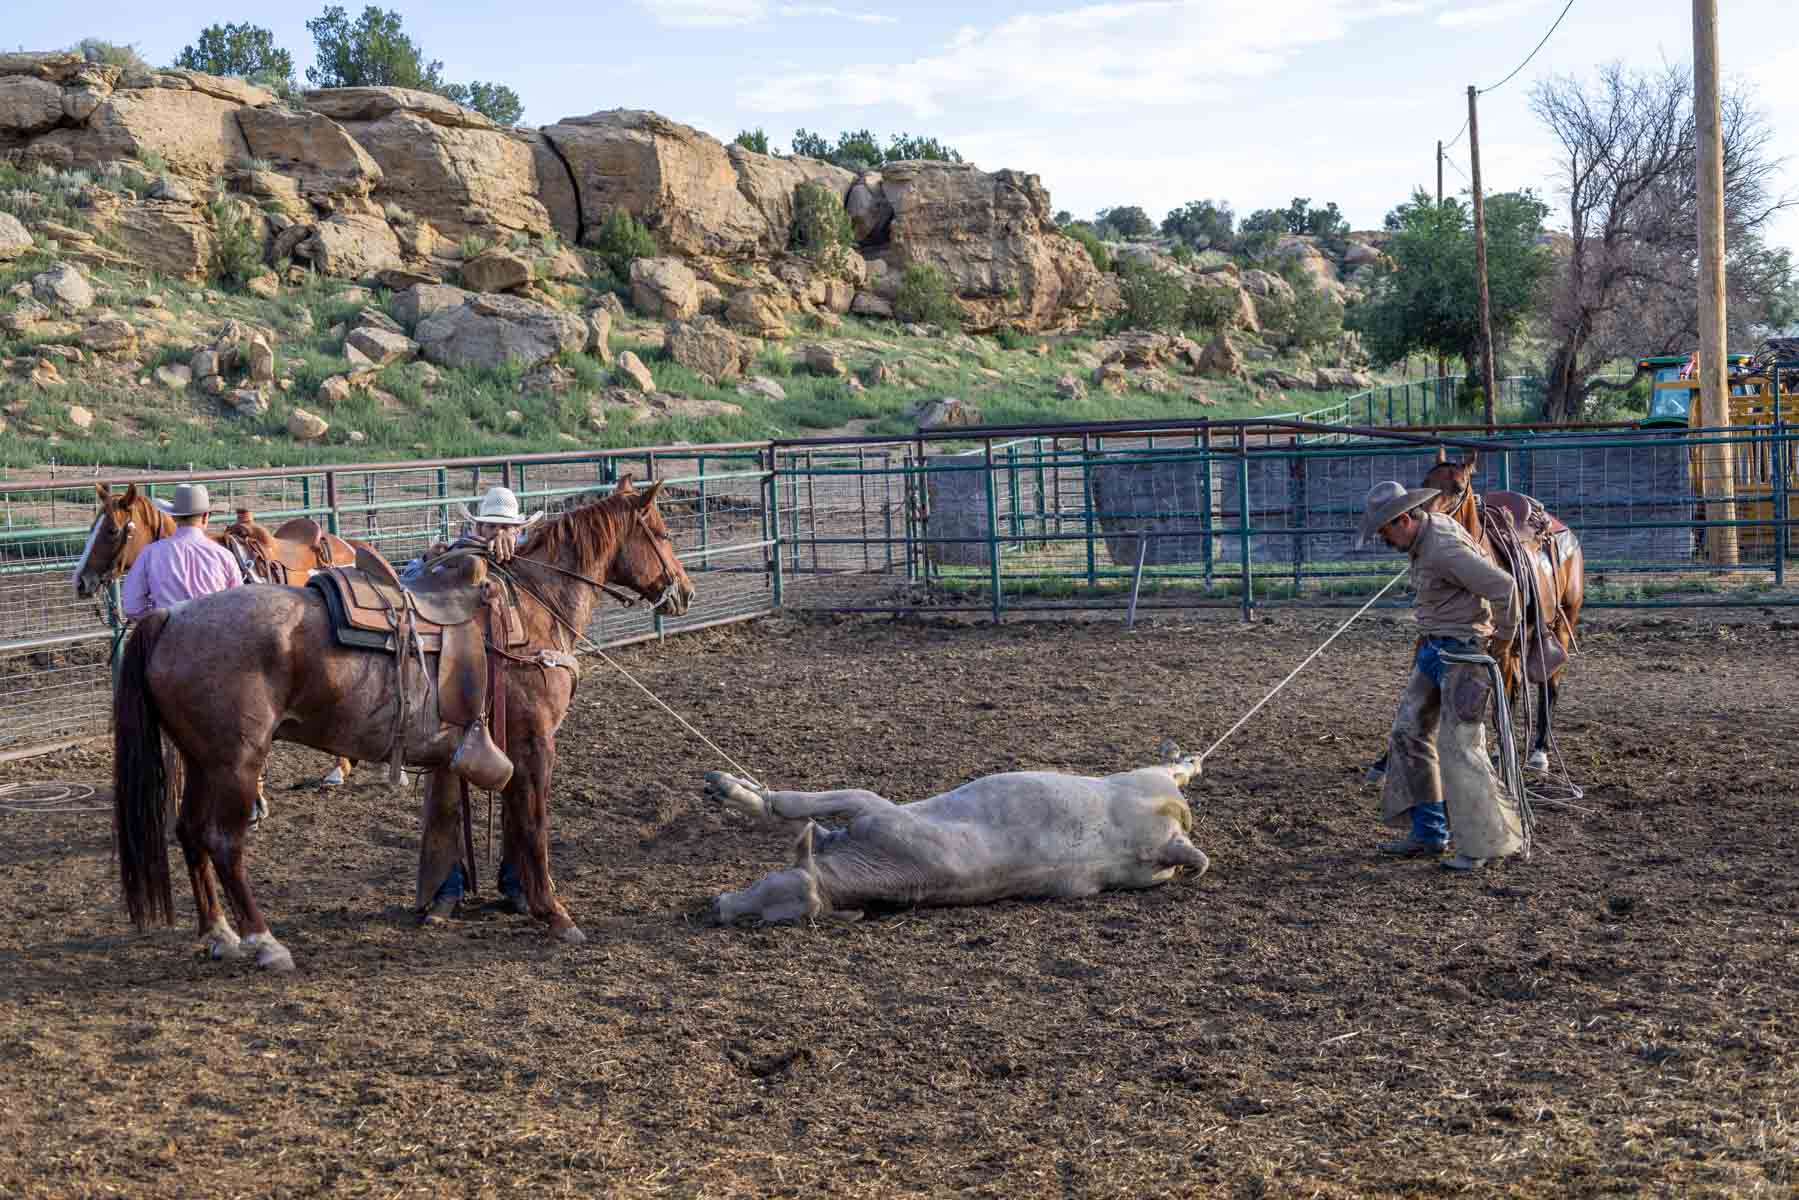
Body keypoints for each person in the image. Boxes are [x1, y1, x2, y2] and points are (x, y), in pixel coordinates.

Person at [1354, 481, 1526, 871]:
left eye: (1385, 531)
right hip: (1435, 648)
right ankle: (1430, 833)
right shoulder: (1428, 536)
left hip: (1463, 653)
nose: (1384, 539)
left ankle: (1483, 843)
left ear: (1404, 520)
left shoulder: (1445, 548)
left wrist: (1503, 640)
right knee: (1407, 732)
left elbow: (1504, 587)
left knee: (1461, 747)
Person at [414, 486, 541, 921]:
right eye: (489, 525)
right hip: (454, 688)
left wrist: (514, 561)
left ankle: (518, 878)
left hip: (513, 687)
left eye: (504, 527)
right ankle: (442, 887)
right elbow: (418, 577)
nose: (495, 532)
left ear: (517, 530)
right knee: (445, 783)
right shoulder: (452, 556)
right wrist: (452, 555)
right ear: (477, 525)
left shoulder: (531, 562)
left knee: (517, 782)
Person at [118, 483, 271, 823]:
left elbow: (130, 605)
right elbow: (240, 607)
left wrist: (159, 617)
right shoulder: (223, 556)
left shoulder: (152, 555)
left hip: (167, 650)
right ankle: (250, 794)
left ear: (175, 516)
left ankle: (163, 800)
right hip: (220, 656)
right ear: (205, 517)